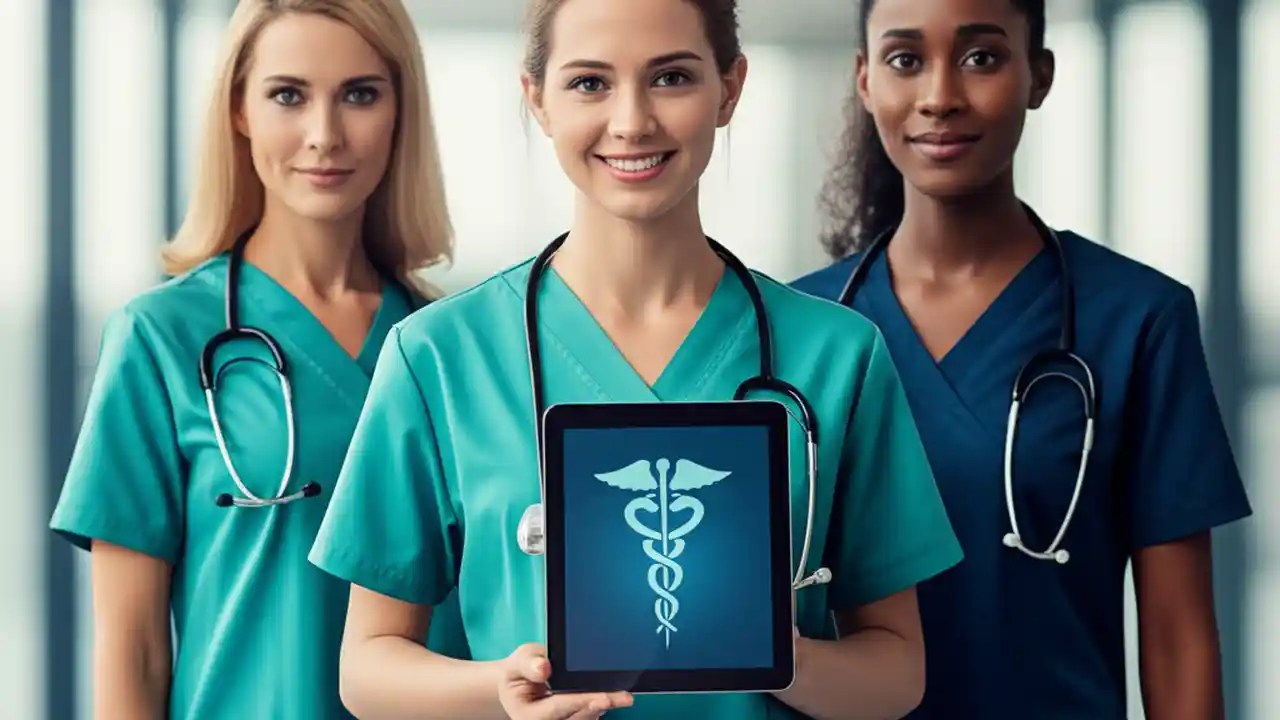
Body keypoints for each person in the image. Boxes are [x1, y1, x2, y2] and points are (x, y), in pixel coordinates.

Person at [307, 0, 964, 718]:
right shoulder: (438, 355)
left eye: (671, 78)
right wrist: (498, 688)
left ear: (730, 89)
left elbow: (896, 673)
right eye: (589, 83)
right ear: (538, 99)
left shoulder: (837, 355)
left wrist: (778, 653)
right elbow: (367, 669)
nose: (631, 122)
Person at [791, 0, 1253, 717]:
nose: (940, 96)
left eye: (981, 58)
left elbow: (1177, 638)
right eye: (905, 60)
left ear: (1039, 75)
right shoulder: (797, 329)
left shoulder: (1137, 319)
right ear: (865, 80)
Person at [48, 1, 469, 718]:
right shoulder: (160, 338)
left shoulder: (451, 346)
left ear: (401, 112)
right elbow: (132, 650)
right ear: (239, 110)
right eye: (288, 95)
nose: (324, 134)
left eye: (360, 94)